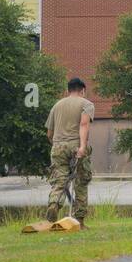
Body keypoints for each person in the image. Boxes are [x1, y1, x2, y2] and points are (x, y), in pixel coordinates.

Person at [45, 77, 94, 227]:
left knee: (59, 181)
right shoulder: (86, 104)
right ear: (83, 90)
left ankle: (53, 205)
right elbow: (84, 124)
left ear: (68, 90)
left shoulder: (57, 105)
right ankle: (79, 220)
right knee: (81, 182)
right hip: (75, 145)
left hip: (57, 146)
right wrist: (82, 147)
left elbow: (49, 133)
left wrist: (57, 145)